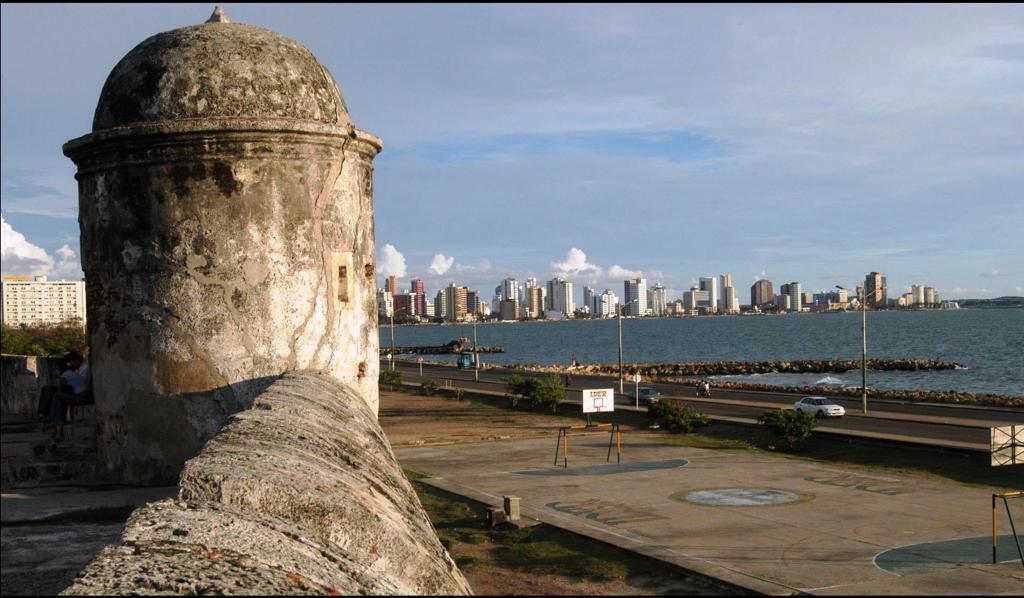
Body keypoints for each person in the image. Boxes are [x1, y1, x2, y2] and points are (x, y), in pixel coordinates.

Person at [48, 351, 92, 425]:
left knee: (57, 395)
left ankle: (53, 418)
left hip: (81, 396)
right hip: (84, 394)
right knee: (60, 396)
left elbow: (60, 388)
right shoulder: (73, 373)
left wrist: (59, 380)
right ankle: (58, 419)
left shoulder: (66, 374)